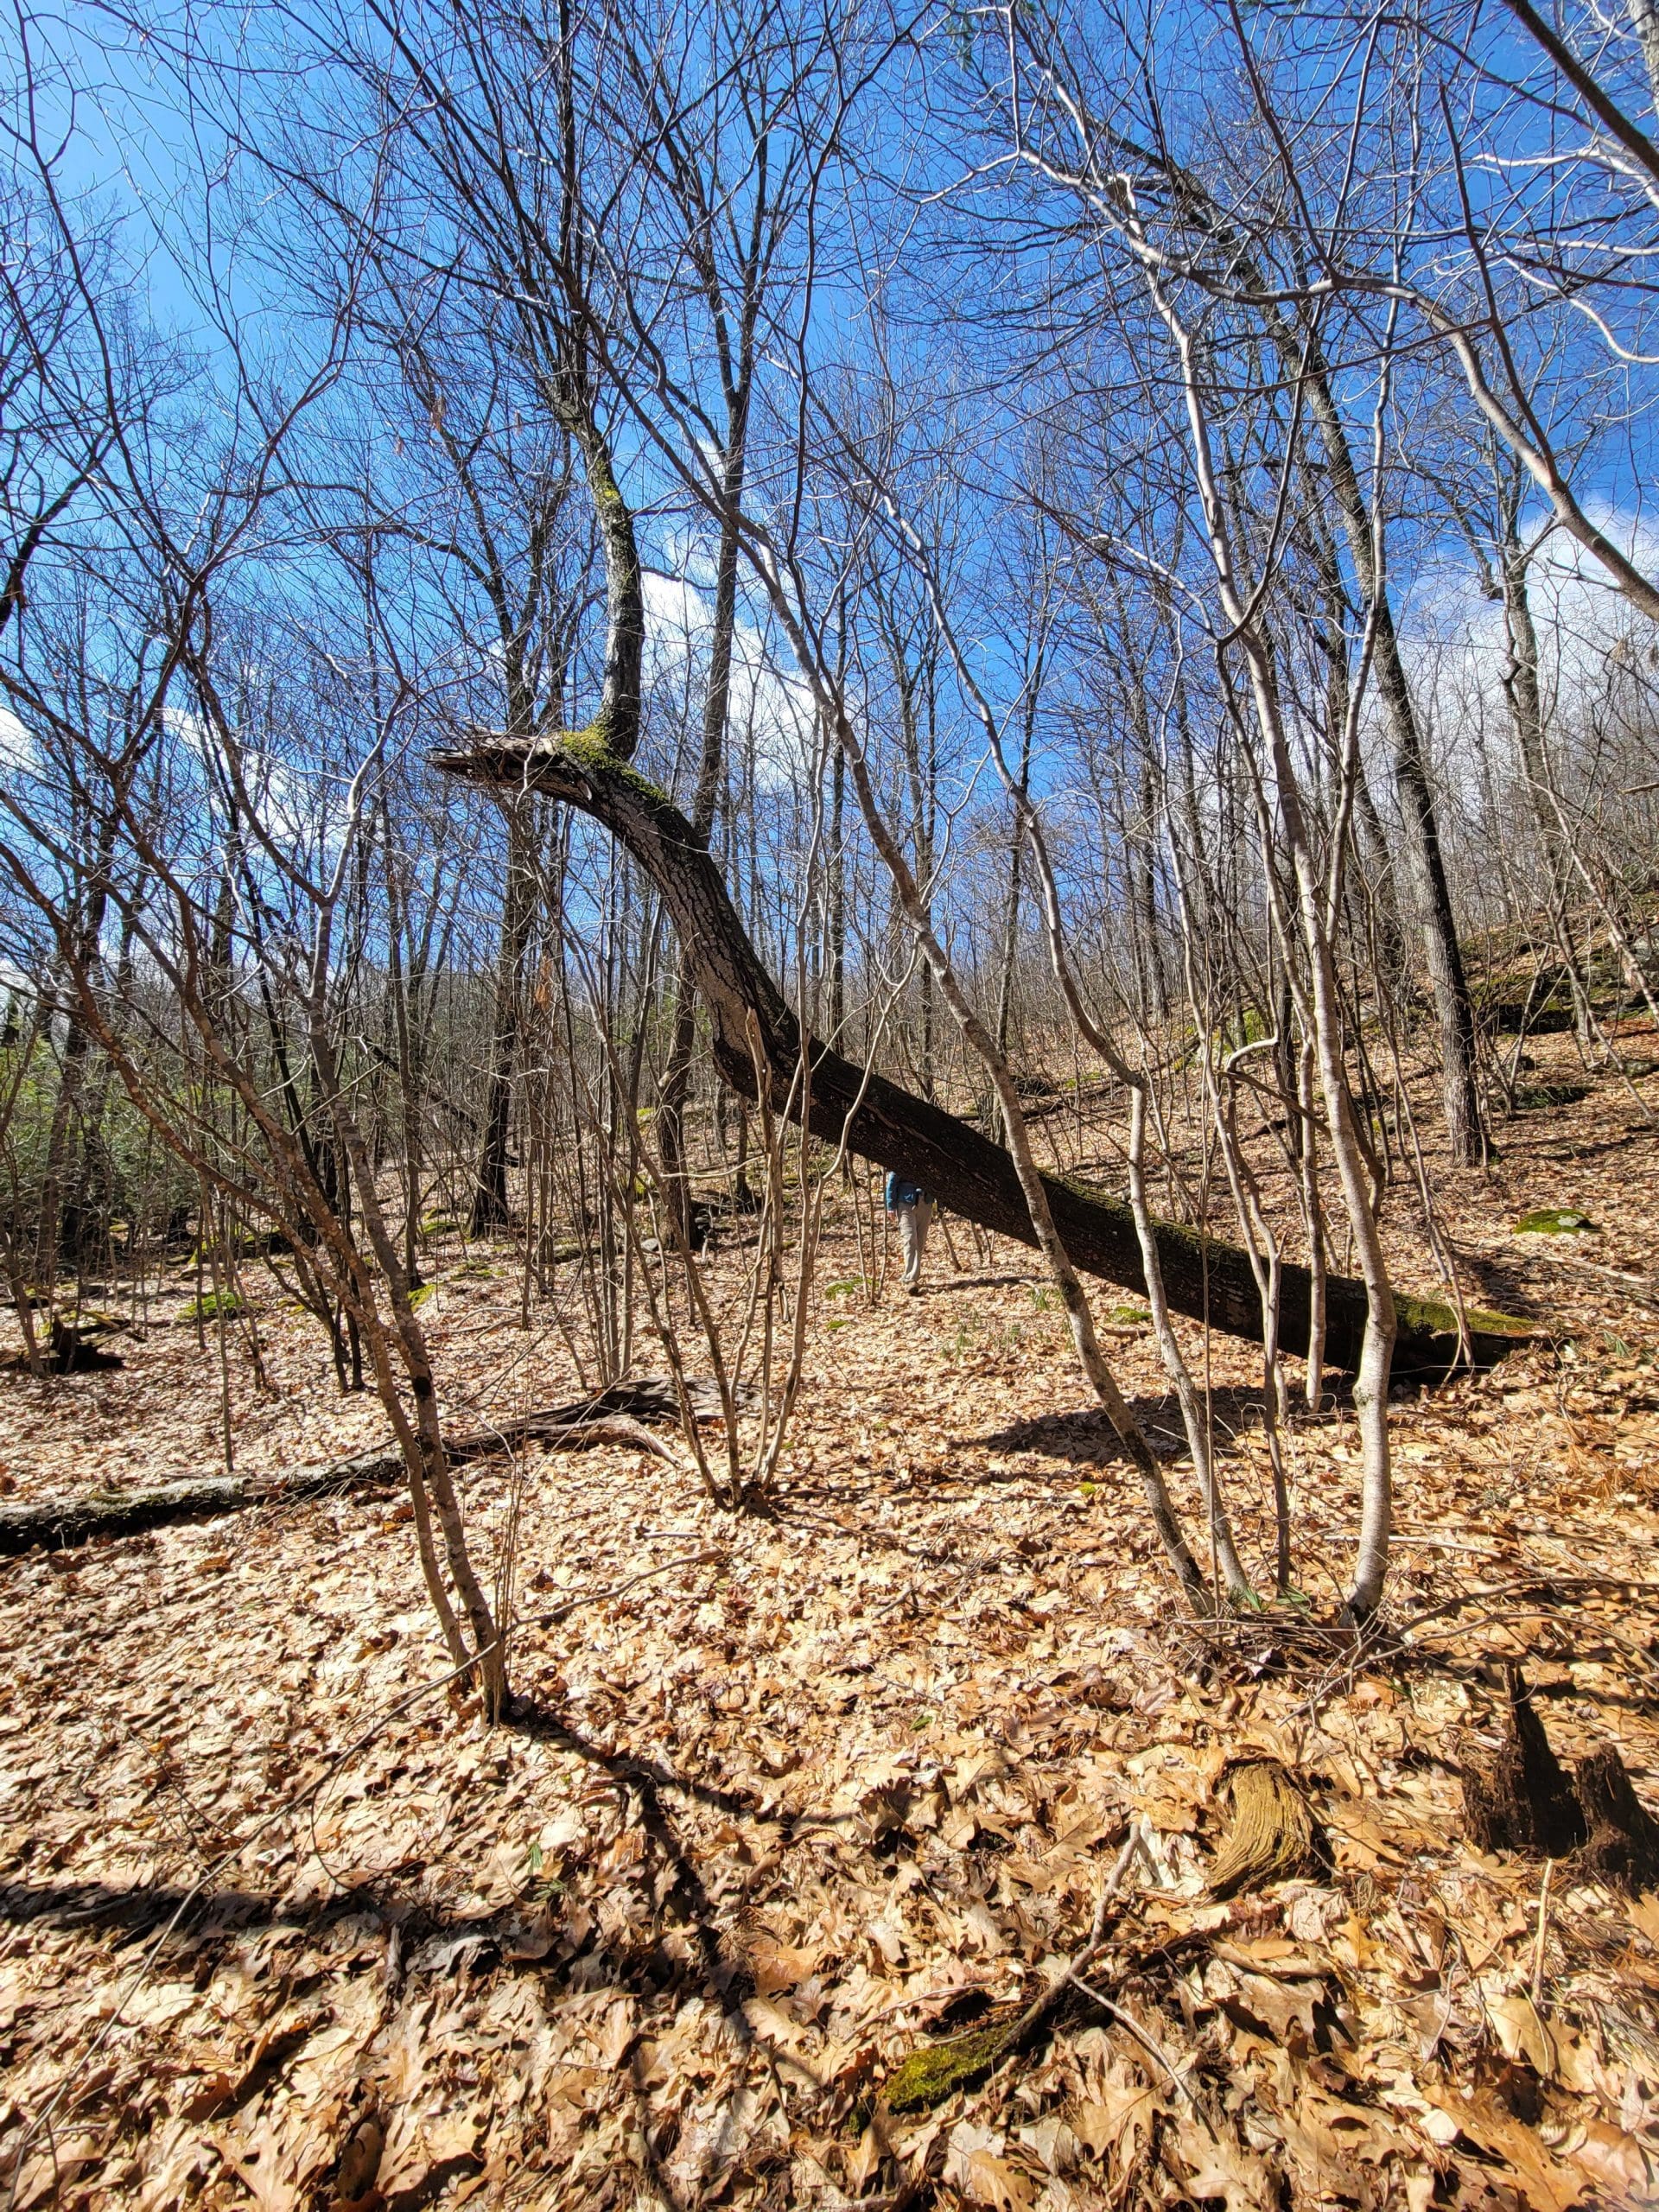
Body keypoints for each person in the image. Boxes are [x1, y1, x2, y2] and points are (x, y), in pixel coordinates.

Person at [885, 1169, 934, 1294]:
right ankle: (910, 1279)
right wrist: (891, 1205)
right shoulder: (905, 1157)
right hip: (906, 1203)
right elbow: (892, 1181)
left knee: (920, 1242)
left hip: (926, 1202)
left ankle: (913, 1276)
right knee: (910, 1239)